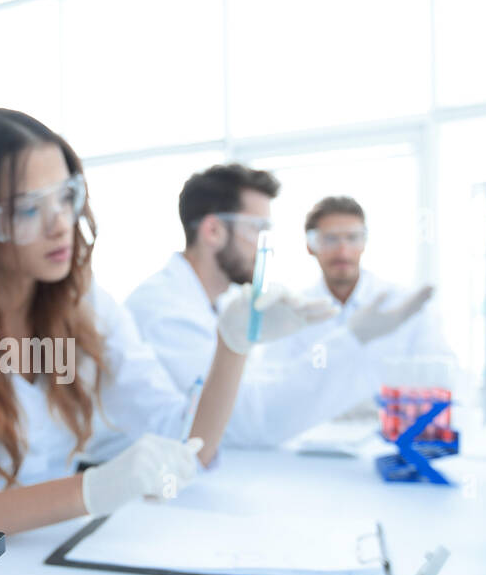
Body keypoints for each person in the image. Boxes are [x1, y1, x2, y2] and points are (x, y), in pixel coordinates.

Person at [0, 110, 332, 535]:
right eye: (29, 208)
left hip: (61, 555)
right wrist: (88, 491)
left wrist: (233, 345)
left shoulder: (85, 303)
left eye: (65, 196)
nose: (60, 223)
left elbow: (189, 445)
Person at [126, 165, 433, 447]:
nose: (263, 245)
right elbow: (245, 419)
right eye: (257, 229)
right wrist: (351, 339)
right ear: (213, 231)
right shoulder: (164, 309)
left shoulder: (218, 304)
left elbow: (260, 385)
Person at [260, 196, 453, 412]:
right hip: (310, 437)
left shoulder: (404, 305)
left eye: (352, 238)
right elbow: (273, 388)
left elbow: (441, 378)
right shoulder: (293, 313)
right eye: (330, 239)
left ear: (364, 243)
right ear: (310, 245)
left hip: (391, 435)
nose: (343, 251)